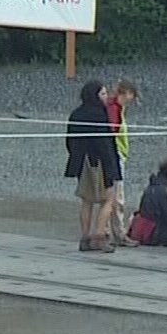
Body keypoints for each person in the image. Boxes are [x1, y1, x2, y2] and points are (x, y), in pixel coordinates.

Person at [65, 79, 122, 252]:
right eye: (103, 93)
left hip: (81, 163)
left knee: (86, 201)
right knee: (108, 199)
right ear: (95, 95)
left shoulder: (76, 113)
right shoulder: (99, 114)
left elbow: (69, 141)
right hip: (99, 164)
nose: (106, 97)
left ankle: (85, 237)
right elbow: (105, 145)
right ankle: (98, 236)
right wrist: (112, 168)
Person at [105, 79, 141, 247]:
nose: (131, 100)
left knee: (111, 196)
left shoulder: (116, 108)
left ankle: (109, 231)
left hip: (117, 155)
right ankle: (117, 233)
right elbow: (112, 133)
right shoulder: (114, 109)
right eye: (131, 96)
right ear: (126, 93)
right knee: (116, 197)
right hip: (115, 157)